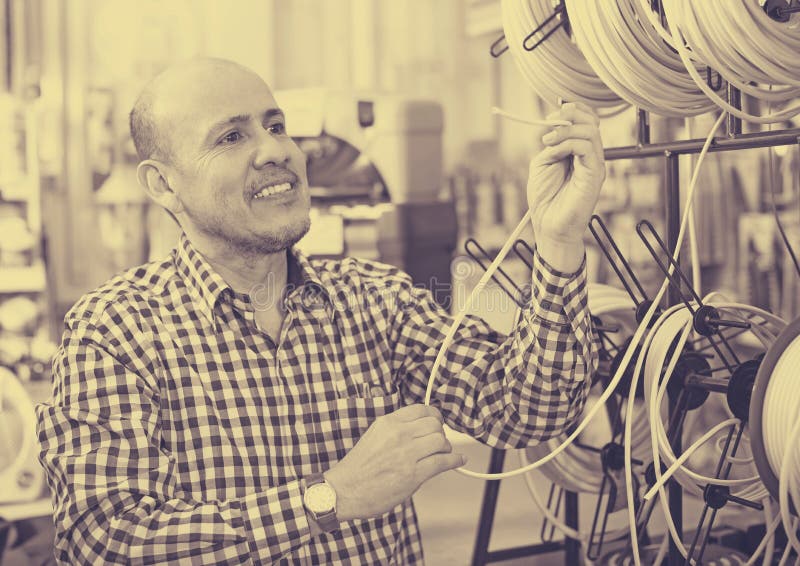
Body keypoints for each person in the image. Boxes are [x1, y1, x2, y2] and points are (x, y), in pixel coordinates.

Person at [35, 57, 604, 565]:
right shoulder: (115, 333)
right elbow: (105, 542)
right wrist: (329, 498)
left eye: (276, 125)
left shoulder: (376, 300)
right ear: (164, 184)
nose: (276, 150)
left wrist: (558, 239)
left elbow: (532, 411)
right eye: (231, 137)